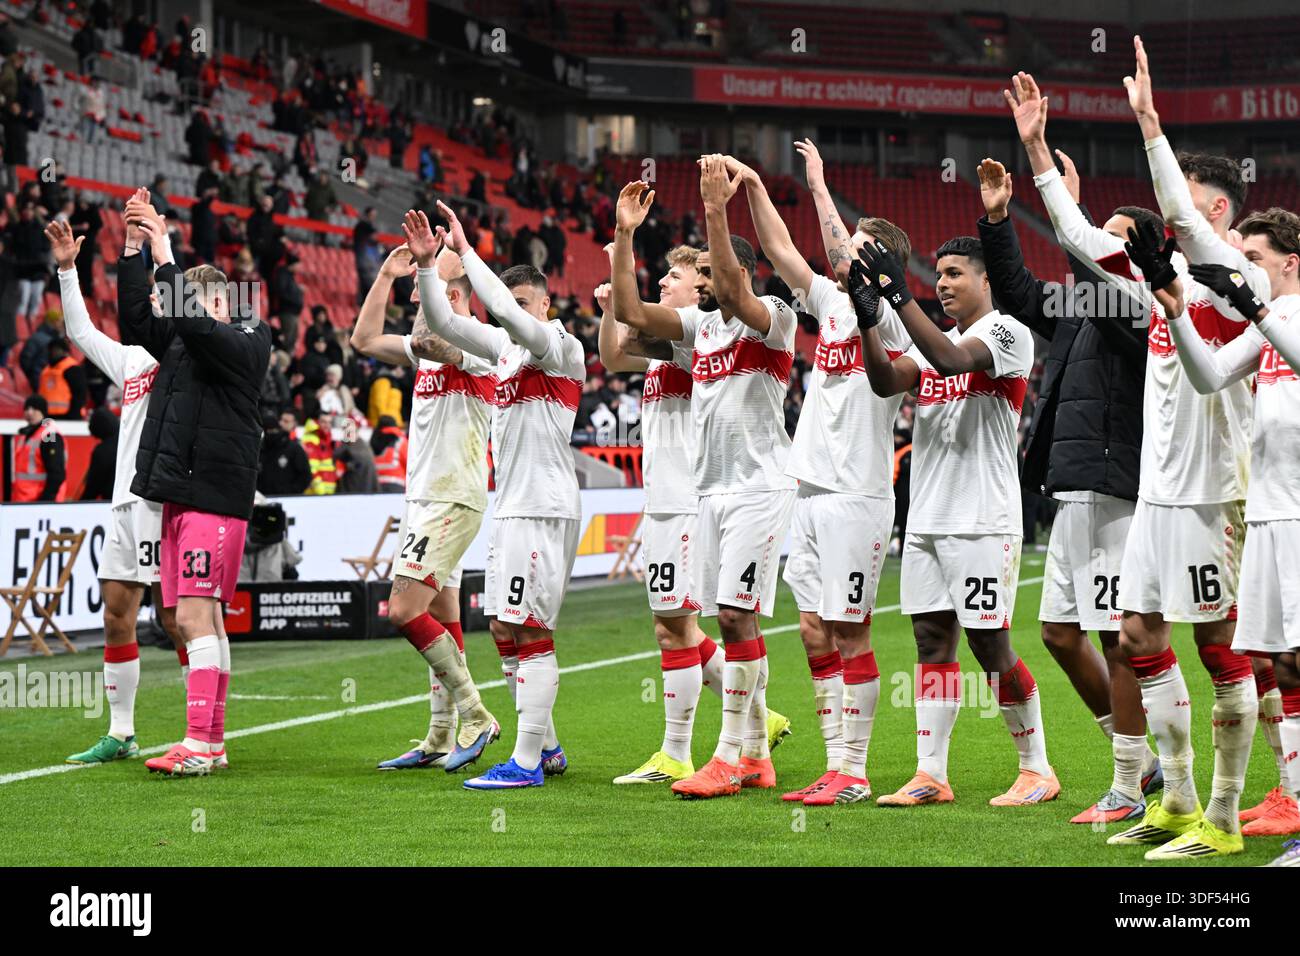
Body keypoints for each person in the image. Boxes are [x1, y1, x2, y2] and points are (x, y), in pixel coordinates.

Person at [1085, 42, 1270, 859]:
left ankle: (1224, 817)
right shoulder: (1181, 287)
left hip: (1213, 492)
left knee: (1222, 645)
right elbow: (1088, 244)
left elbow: (1181, 218)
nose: (1173, 216)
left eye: (1188, 207)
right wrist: (1036, 162)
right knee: (1136, 636)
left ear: (1218, 213)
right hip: (1159, 494)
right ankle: (1178, 798)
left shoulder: (1239, 277)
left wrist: (1150, 123)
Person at [1001, 73, 1167, 824]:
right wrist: (1002, 218)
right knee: (1061, 633)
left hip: (1116, 482)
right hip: (1073, 486)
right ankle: (1143, 762)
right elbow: (1015, 290)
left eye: (1113, 237)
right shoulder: (1079, 309)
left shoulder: (1134, 309)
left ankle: (1131, 784)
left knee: (1120, 637)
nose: (1099, 244)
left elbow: (1088, 261)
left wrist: (1046, 170)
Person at [609, 161, 799, 801]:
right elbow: (632, 315)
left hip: (759, 488)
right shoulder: (701, 331)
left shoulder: (769, 315)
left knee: (739, 617)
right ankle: (756, 757)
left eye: (717, 271)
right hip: (710, 494)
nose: (709, 281)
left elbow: (740, 294)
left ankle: (725, 756)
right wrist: (625, 235)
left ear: (735, 272)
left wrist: (718, 209)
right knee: (730, 622)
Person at [738, 143, 913, 805]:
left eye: (860, 248)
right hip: (806, 490)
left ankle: (856, 771)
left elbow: (838, 254)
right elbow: (783, 253)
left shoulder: (891, 318)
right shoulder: (832, 306)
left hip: (857, 494)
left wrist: (819, 184)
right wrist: (761, 184)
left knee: (850, 630)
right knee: (813, 629)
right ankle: (835, 763)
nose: (843, 255)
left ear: (879, 262)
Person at [857, 231, 1055, 807]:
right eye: (937, 274)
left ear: (986, 278)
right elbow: (884, 380)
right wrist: (870, 319)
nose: (942, 283)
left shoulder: (1006, 332)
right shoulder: (932, 340)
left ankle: (1036, 767)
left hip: (982, 517)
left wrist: (897, 295)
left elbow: (951, 360)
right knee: (930, 639)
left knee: (989, 644)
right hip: (928, 519)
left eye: (954, 274)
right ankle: (931, 773)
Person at [1127, 208, 1300, 849]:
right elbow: (1208, 375)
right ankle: (1219, 814)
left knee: (1274, 658)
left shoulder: (1276, 318)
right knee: (1284, 663)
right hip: (1269, 509)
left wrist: (1148, 123)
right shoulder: (1270, 322)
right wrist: (1174, 309)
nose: (1241, 267)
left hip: (1274, 506)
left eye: (1254, 257)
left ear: (1290, 261)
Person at [405, 203, 583, 789]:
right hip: (512, 506)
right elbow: (445, 324)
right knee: (504, 629)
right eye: (517, 307)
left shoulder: (559, 345)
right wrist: (430, 267)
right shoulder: (505, 353)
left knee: (529, 627)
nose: (519, 315)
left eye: (529, 306)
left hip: (543, 504)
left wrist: (467, 248)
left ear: (546, 307)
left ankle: (526, 763)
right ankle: (548, 747)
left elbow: (504, 309)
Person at [118, 188, 272, 777]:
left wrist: (164, 250)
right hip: (182, 495)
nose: (172, 307)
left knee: (192, 618)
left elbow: (186, 320)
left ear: (219, 301)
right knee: (194, 616)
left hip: (213, 495)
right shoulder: (185, 340)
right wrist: (135, 247)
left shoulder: (247, 340)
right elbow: (136, 320)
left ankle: (198, 744)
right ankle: (212, 743)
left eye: (185, 296)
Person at [352, 240, 502, 772]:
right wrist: (389, 276)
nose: (419, 296)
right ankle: (440, 735)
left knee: (402, 610)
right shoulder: (428, 344)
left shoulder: (486, 347)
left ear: (454, 295)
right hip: (425, 499)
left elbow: (425, 336)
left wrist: (427, 267)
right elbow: (363, 338)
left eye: (428, 291)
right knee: (442, 613)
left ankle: (475, 713)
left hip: (452, 498)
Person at [44, 218, 186, 762]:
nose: (147, 302)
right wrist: (66, 270)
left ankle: (203, 727)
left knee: (176, 618)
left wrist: (151, 247)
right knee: (116, 613)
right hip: (126, 502)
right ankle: (121, 732)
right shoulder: (130, 359)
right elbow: (80, 333)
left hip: (166, 499)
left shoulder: (186, 351)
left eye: (156, 295)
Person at [11, 395, 66, 501]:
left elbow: (56, 474)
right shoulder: (28, 434)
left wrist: (44, 502)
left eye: (35, 408)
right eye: (27, 409)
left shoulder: (50, 435)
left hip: (40, 503)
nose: (29, 412)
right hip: (25, 501)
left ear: (43, 412)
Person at [257, 410, 312, 496]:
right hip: (263, 498)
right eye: (281, 420)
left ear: (294, 424)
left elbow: (305, 475)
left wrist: (291, 493)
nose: (282, 423)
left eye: (286, 421)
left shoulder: (295, 447)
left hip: (287, 500)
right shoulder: (261, 447)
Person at [38, 337, 87, 420]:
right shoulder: (45, 371)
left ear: (64, 351)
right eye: (51, 349)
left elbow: (80, 395)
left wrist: (73, 417)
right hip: (48, 417)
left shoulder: (72, 368)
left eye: (55, 349)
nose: (52, 352)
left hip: (69, 417)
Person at [371, 414, 406, 494]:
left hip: (376, 485)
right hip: (396, 484)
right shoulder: (400, 440)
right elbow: (408, 463)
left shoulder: (373, 439)